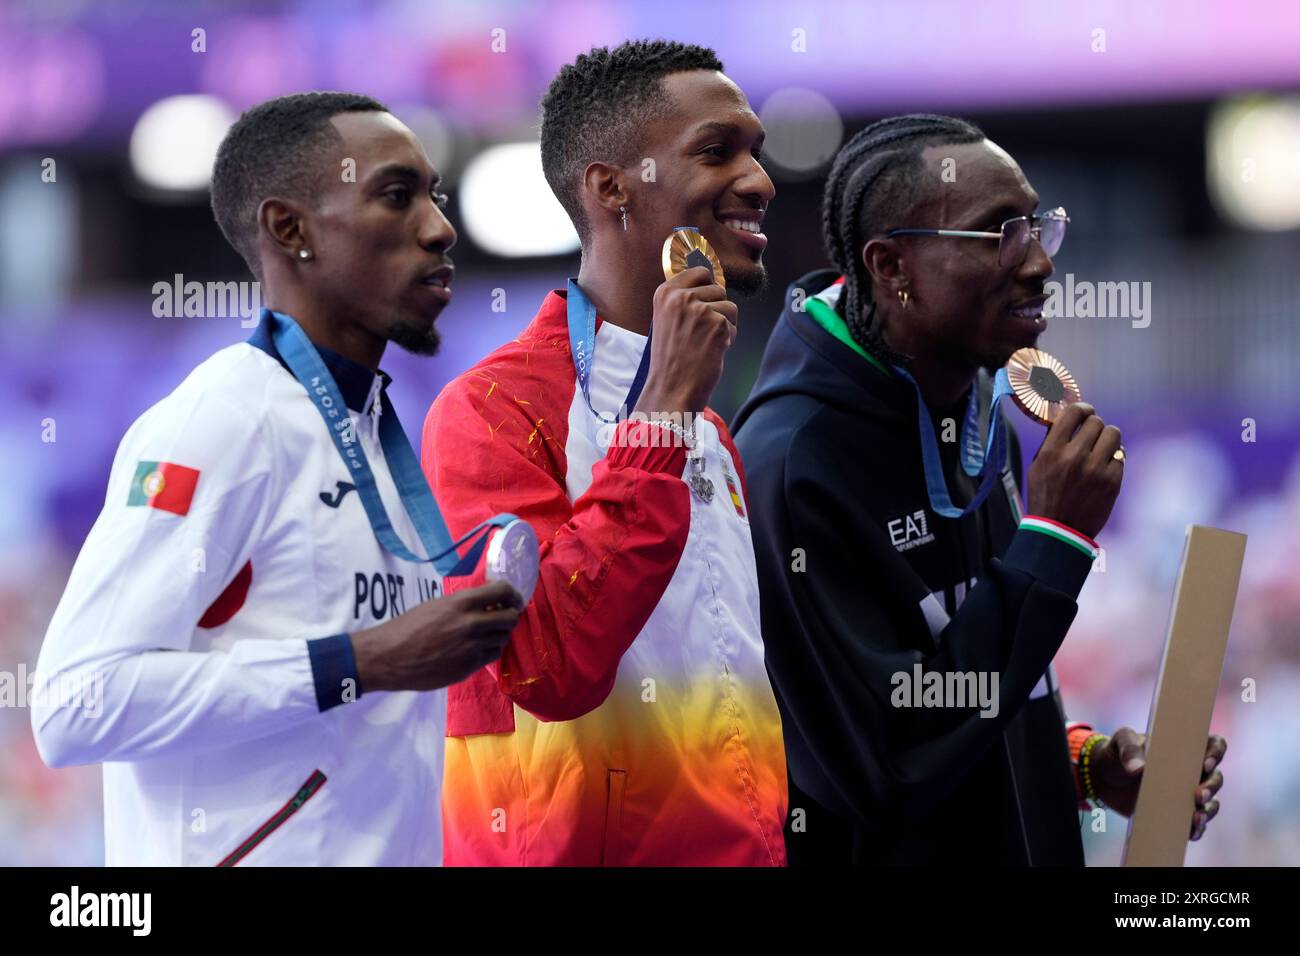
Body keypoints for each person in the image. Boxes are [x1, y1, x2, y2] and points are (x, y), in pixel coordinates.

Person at [31, 92, 523, 865]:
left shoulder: (380, 442)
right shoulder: (218, 424)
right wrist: (360, 660)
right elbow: (75, 704)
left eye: (435, 195)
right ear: (289, 229)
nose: (439, 228)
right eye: (396, 197)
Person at [732, 114, 1226, 865]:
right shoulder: (793, 463)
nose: (1038, 265)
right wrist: (1054, 544)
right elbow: (886, 763)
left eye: (1037, 227)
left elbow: (968, 683)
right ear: (892, 267)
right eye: (999, 234)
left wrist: (1086, 767)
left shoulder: (971, 402)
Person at [423, 40, 787, 865]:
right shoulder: (489, 411)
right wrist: (659, 417)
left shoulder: (707, 428)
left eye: (756, 153)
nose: (760, 181)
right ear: (611, 187)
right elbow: (548, 670)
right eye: (715, 150)